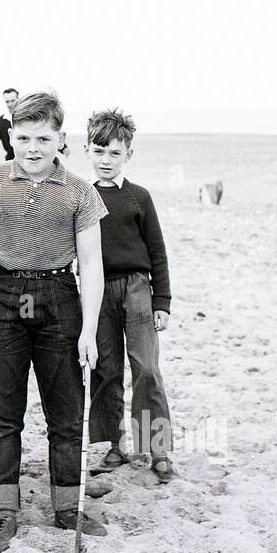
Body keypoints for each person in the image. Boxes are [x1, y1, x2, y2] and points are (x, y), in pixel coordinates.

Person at [0, 90, 107, 553]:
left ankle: (67, 506)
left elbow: (91, 264)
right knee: (1, 410)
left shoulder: (80, 191)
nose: (32, 147)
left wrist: (90, 330)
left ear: (60, 139)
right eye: (24, 137)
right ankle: (1, 511)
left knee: (66, 412)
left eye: (43, 138)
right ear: (11, 137)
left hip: (58, 298)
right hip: (2, 296)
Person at [84, 107, 175, 483]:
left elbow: (157, 251)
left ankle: (158, 450)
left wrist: (162, 302)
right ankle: (115, 446)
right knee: (105, 370)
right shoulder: (82, 197)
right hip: (96, 289)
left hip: (138, 288)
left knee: (147, 369)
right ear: (87, 149)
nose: (106, 160)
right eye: (99, 151)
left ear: (128, 155)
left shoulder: (139, 197)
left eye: (115, 153)